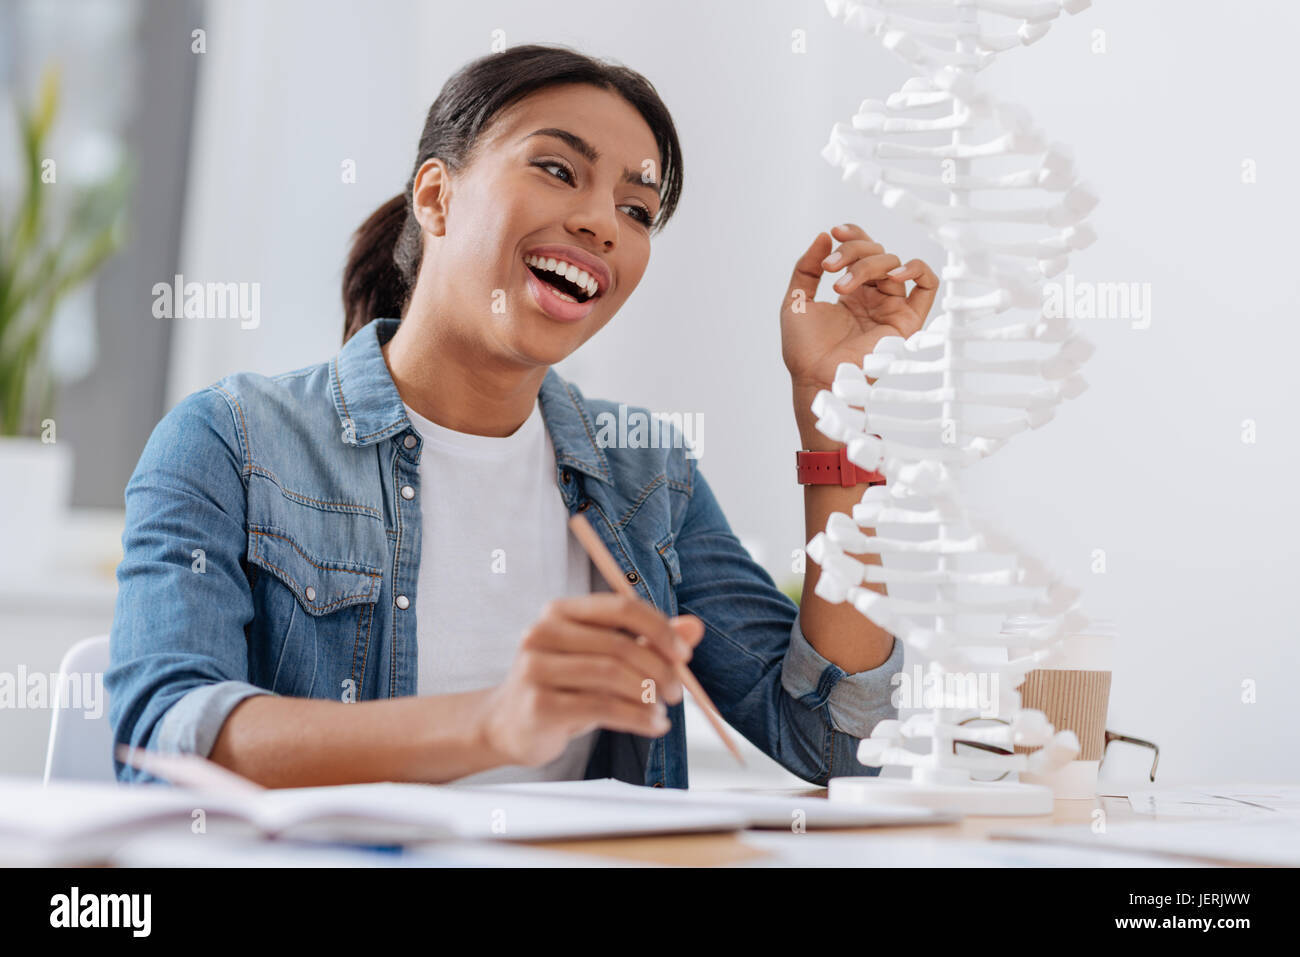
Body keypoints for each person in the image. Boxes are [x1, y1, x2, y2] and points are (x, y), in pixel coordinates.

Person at [106, 43, 937, 789]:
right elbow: (165, 742)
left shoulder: (646, 472)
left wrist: (841, 420)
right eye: (557, 169)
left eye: (637, 210)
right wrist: (492, 722)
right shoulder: (233, 441)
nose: (601, 222)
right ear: (436, 196)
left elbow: (835, 745)